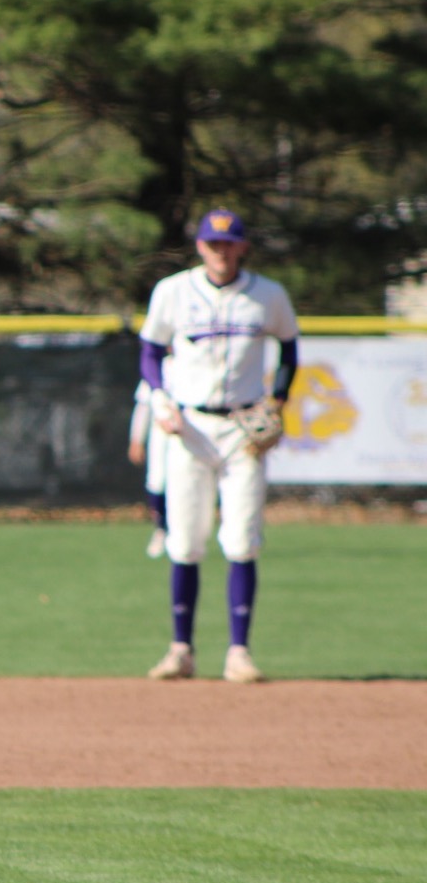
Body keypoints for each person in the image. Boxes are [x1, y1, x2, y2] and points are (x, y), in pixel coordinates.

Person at [138, 208, 299, 684]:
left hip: (243, 432)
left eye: (228, 243)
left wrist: (280, 400)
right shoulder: (173, 291)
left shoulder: (268, 295)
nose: (220, 251)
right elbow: (149, 351)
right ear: (200, 247)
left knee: (242, 539)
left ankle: (238, 653)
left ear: (243, 247)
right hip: (189, 428)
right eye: (212, 243)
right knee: (184, 542)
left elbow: (290, 349)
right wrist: (161, 399)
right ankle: (181, 650)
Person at [129, 374, 170, 558]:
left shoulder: (196, 363)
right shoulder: (156, 371)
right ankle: (161, 529)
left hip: (192, 438)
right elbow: (143, 407)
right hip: (161, 437)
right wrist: (136, 440)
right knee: (157, 483)